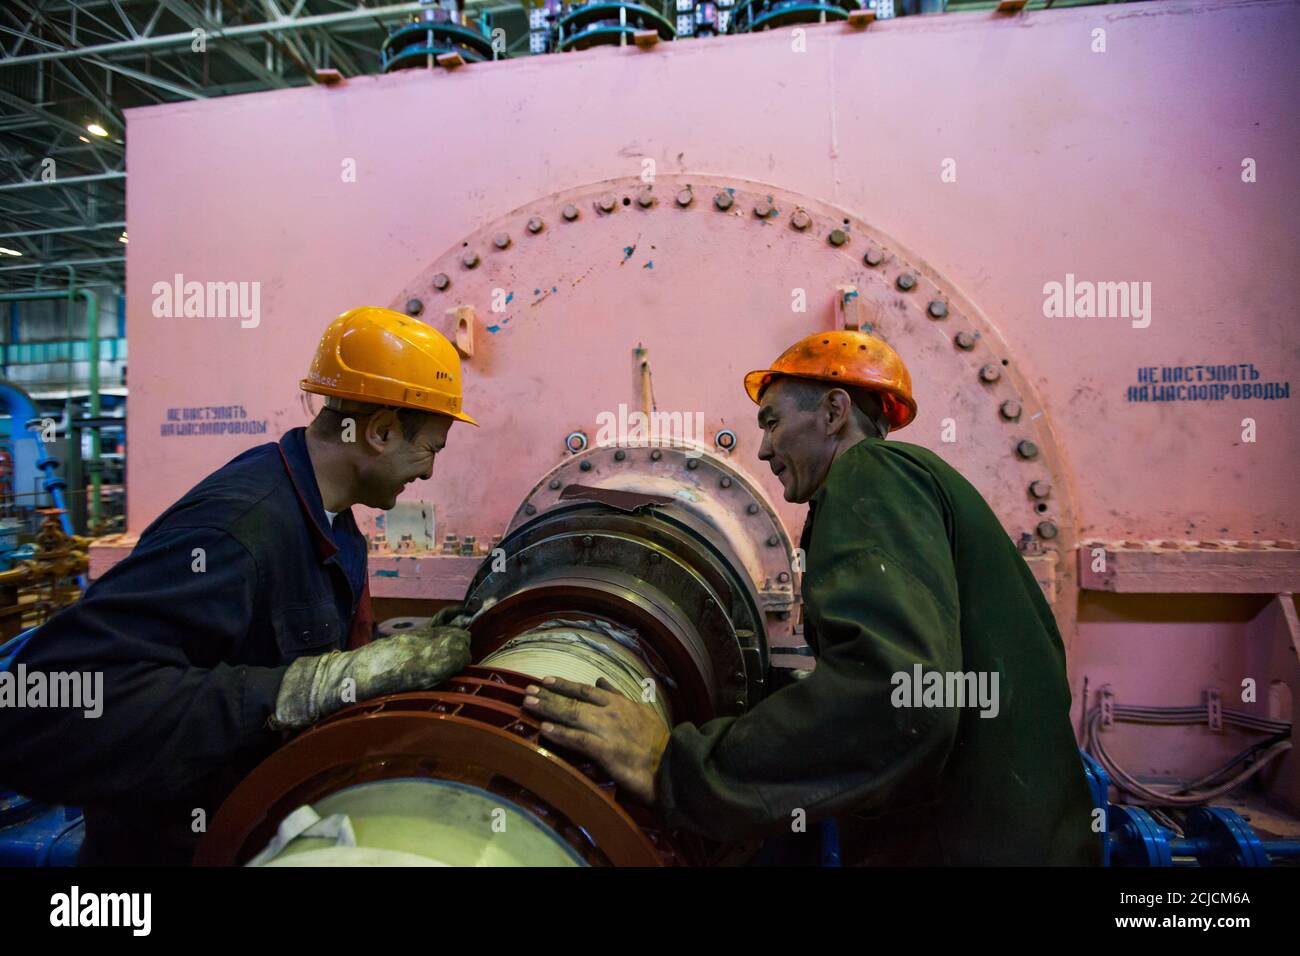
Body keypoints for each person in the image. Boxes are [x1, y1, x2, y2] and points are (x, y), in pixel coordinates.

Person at [522, 330, 1100, 865]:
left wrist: (680, 768)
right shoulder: (921, 485)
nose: (767, 449)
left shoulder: (874, 472)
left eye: (772, 423)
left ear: (833, 412)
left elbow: (894, 694)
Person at [0, 306, 474, 865]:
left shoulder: (334, 524)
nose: (428, 472)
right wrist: (306, 688)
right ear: (380, 430)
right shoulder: (236, 528)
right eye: (431, 448)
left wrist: (377, 663)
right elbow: (49, 709)